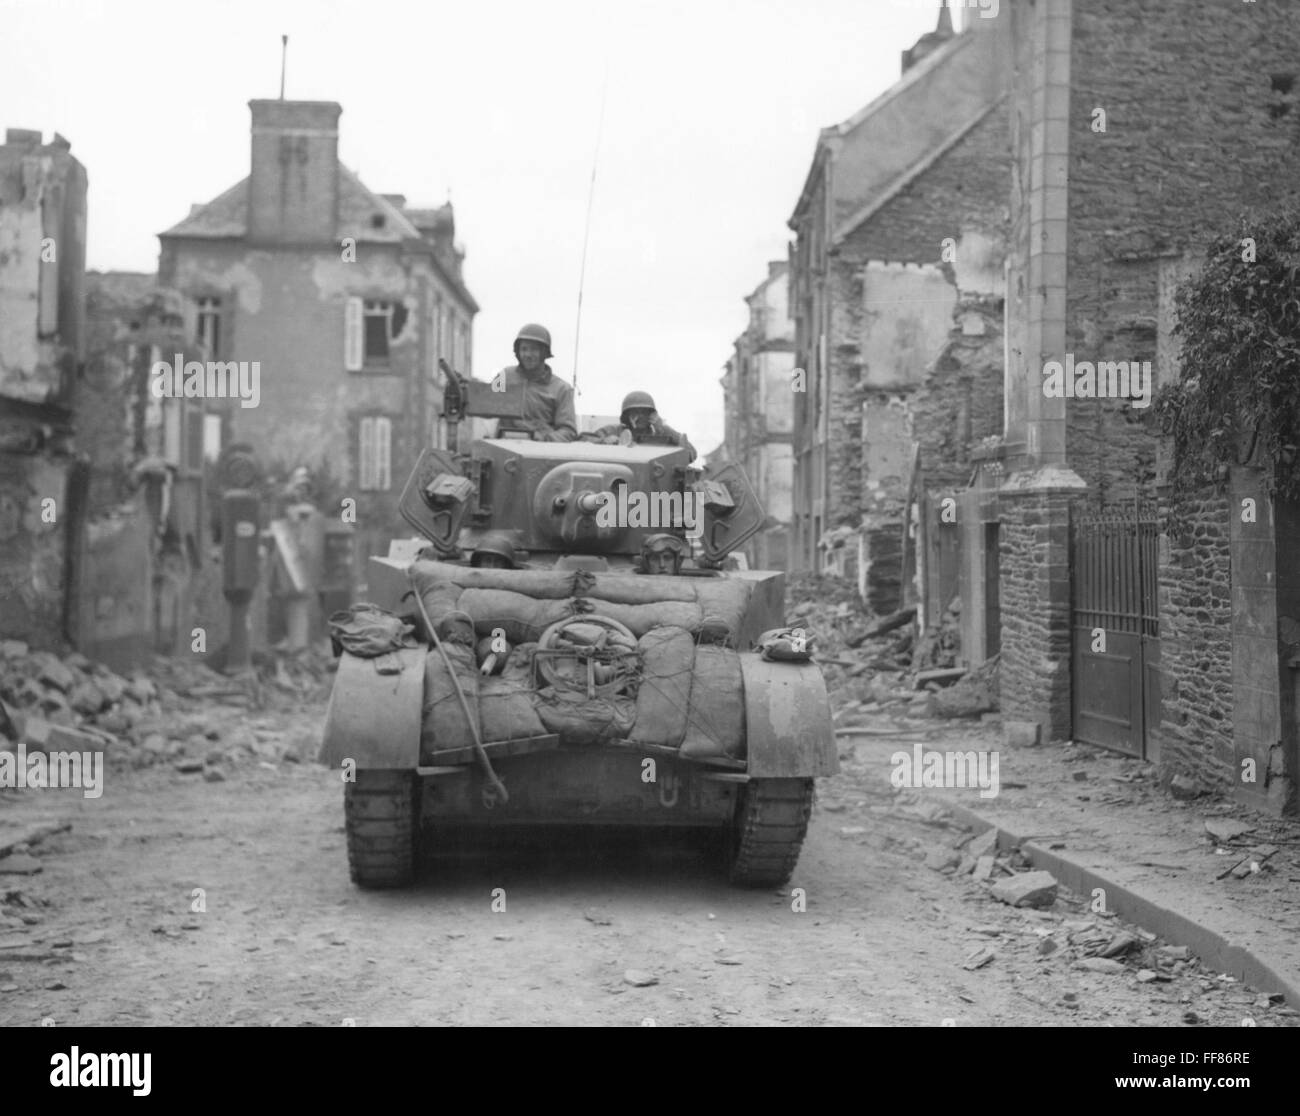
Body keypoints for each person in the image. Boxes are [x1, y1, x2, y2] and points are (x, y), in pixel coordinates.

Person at [493, 323, 577, 442]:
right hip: (504, 445)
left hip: (540, 450)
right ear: (517, 352)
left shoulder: (561, 389)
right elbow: (483, 403)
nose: (527, 355)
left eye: (534, 349)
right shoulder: (504, 377)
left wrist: (542, 439)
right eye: (524, 349)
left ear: (544, 353)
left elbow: (568, 432)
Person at [585, 391, 697, 460]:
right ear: (627, 415)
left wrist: (664, 428)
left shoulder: (661, 434)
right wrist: (603, 442)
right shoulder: (613, 430)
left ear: (651, 415)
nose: (639, 417)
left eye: (644, 412)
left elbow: (691, 454)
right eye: (635, 412)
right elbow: (582, 440)